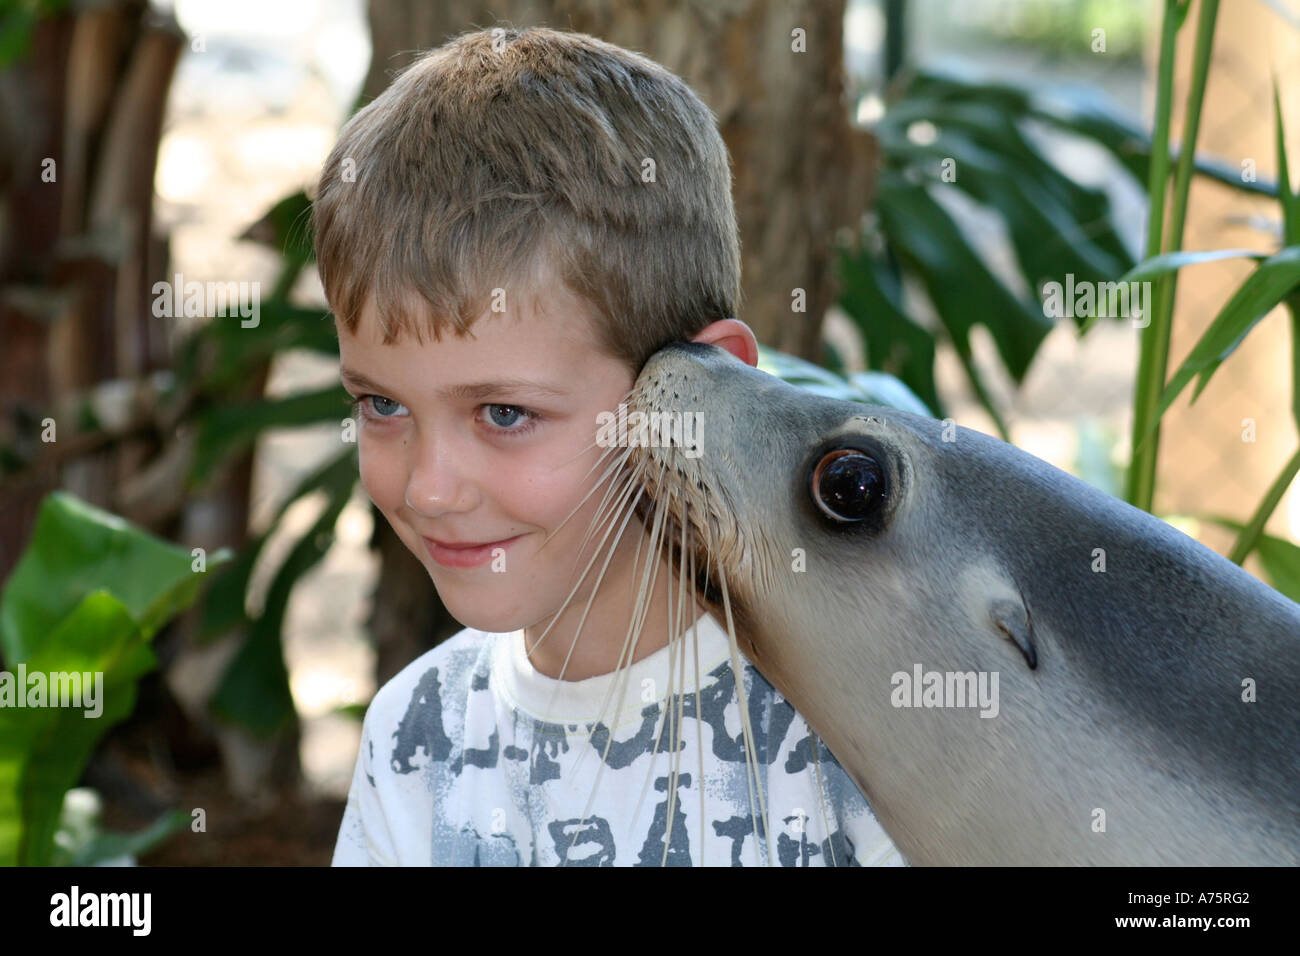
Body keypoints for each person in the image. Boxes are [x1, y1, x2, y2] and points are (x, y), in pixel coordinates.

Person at [316, 25, 904, 866]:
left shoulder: (861, 742)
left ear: (697, 395)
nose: (430, 488)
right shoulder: (417, 740)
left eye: (504, 414)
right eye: (381, 404)